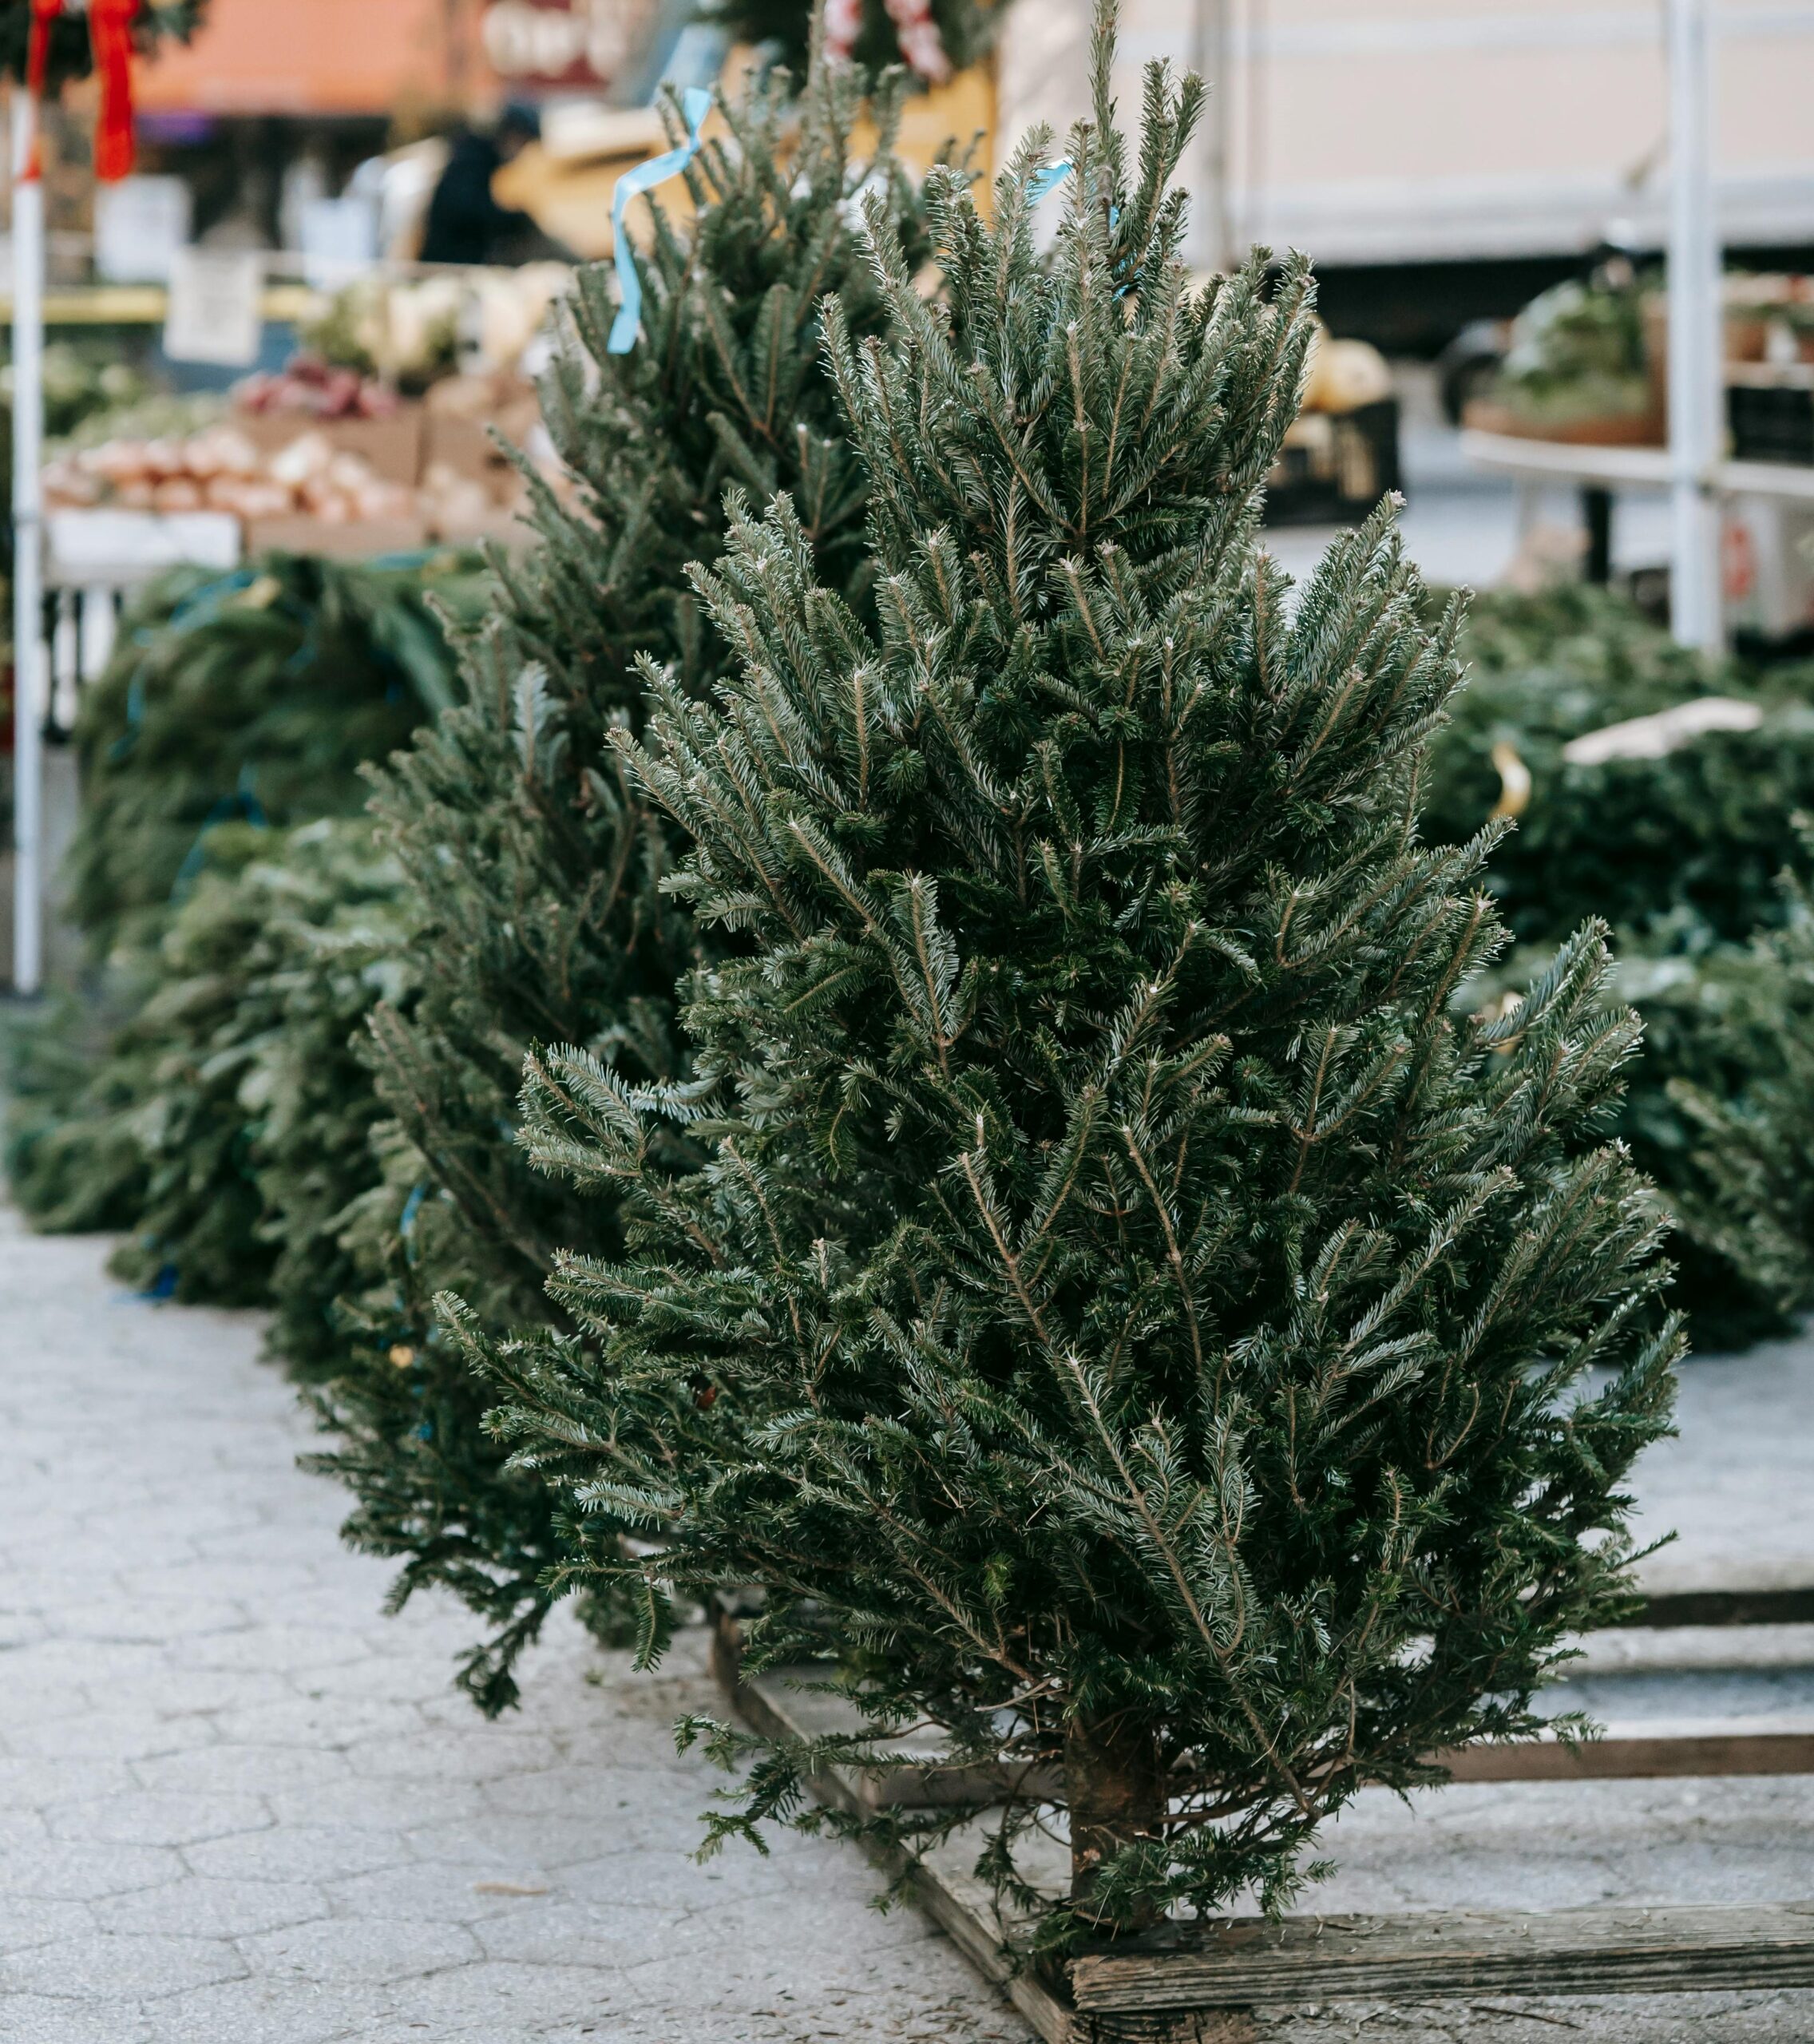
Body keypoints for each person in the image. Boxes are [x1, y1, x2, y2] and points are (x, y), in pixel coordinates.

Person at [419, 104, 546, 267]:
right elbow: (465, 209)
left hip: (461, 257)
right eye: (523, 143)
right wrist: (515, 219)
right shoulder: (473, 158)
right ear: (512, 134)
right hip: (448, 259)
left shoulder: (484, 158)